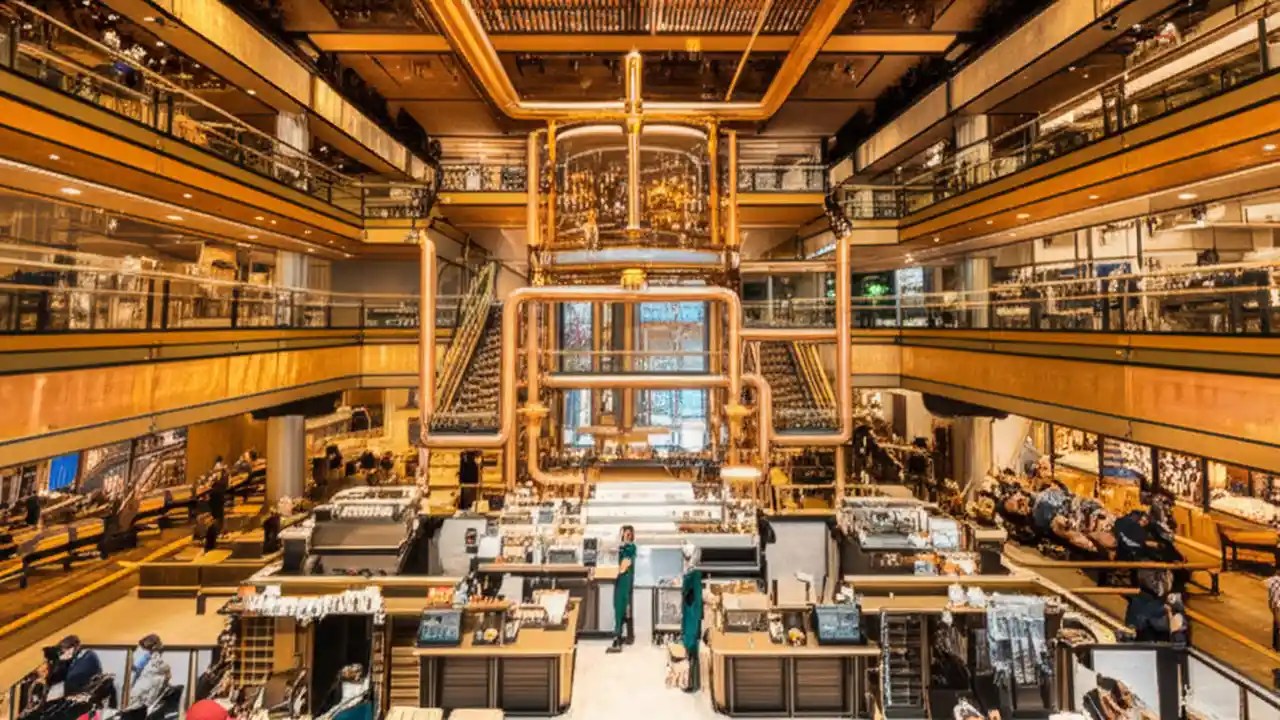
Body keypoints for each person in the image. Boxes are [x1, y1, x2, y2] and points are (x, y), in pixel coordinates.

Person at [607, 525, 637, 653]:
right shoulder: (621, 547)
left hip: (625, 580)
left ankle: (618, 635)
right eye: (625, 533)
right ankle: (624, 634)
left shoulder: (630, 548)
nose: (626, 535)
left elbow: (624, 566)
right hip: (620, 580)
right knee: (620, 607)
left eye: (628, 533)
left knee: (621, 607)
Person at [679, 543, 704, 692]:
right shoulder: (695, 573)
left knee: (691, 650)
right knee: (692, 650)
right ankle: (692, 682)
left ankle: (692, 683)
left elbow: (687, 593)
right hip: (693, 614)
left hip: (691, 616)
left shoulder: (692, 574)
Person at [127, 634, 171, 715]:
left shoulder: (156, 660)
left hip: (148, 691)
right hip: (142, 687)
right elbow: (136, 668)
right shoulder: (147, 657)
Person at [1267, 568, 1280, 651]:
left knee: (1277, 623)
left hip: (1276, 605)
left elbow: (1271, 597)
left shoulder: (1272, 581)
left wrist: (1271, 607)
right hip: (1277, 605)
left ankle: (1276, 646)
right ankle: (1276, 646)